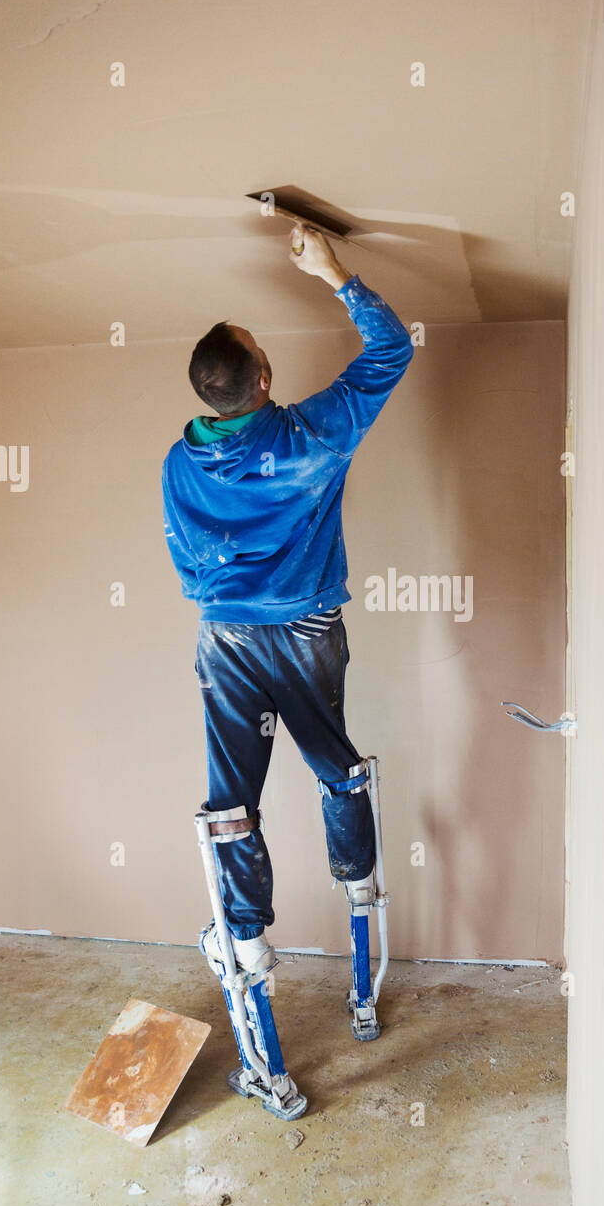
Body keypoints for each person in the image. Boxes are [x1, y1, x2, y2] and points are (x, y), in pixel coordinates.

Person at [161, 224, 413, 1030]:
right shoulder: (310, 436)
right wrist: (332, 271)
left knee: (232, 802)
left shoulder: (179, 463)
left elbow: (190, 567)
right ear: (262, 378)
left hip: (226, 638)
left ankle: (243, 941)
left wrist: (234, 590)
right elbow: (390, 352)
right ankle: (360, 904)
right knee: (335, 768)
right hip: (305, 630)